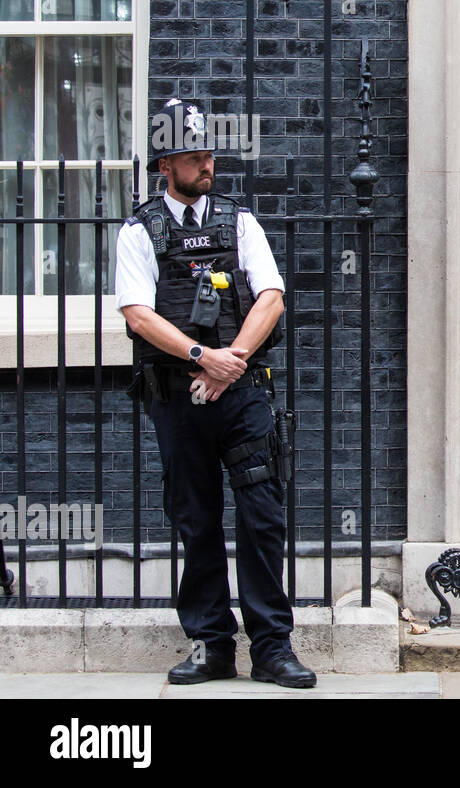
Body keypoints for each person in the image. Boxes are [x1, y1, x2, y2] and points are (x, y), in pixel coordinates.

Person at [115, 98, 315, 688]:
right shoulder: (139, 231)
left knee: (261, 516)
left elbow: (271, 298)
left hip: (243, 396)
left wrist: (232, 363)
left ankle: (272, 648)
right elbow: (138, 316)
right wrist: (203, 357)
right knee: (195, 519)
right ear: (164, 166)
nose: (206, 165)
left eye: (208, 154)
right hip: (177, 398)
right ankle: (211, 643)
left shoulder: (239, 220)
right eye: (193, 157)